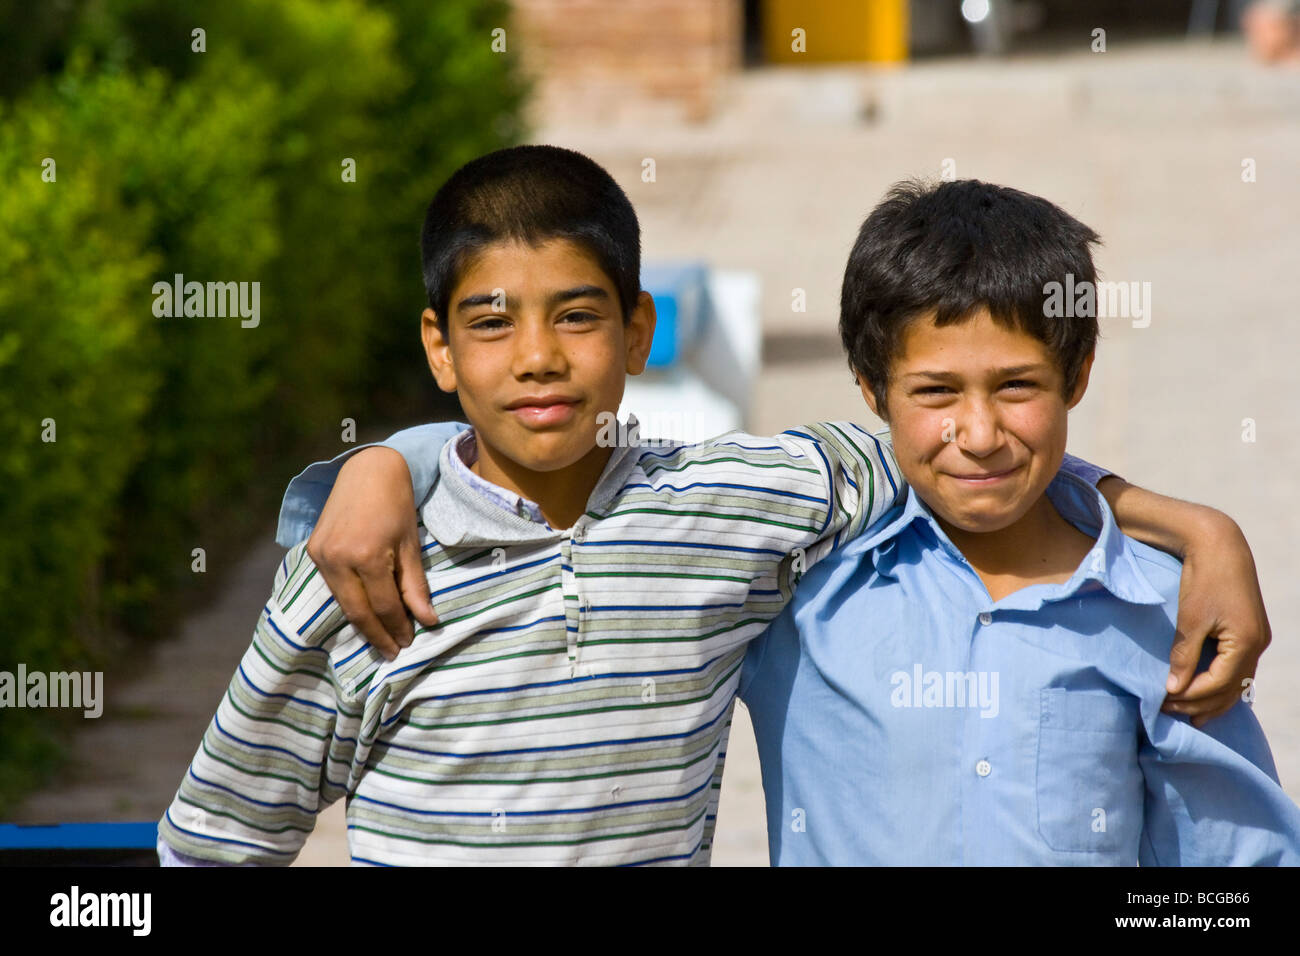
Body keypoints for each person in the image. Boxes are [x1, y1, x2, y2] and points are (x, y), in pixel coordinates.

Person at [159, 146, 1271, 866]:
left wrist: (1193, 526)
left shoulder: (741, 511)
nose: (538, 359)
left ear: (641, 333)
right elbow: (214, 843)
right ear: (438, 348)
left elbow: (956, 455)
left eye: (578, 318)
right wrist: (379, 465)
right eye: (492, 324)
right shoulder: (356, 570)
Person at [737, 179, 1300, 864]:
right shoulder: (792, 587)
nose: (979, 434)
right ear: (871, 388)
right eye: (936, 391)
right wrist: (1201, 526)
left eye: (1016, 386)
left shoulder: (1161, 610)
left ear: (1078, 375)